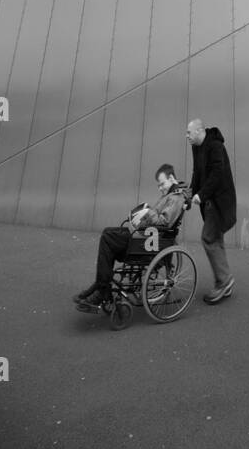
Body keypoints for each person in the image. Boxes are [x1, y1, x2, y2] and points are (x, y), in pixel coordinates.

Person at [72, 164, 187, 311]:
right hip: (147, 238)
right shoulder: (170, 196)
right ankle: (101, 285)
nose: (160, 188)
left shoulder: (176, 197)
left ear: (171, 178)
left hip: (151, 243)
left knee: (108, 237)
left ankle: (102, 289)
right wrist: (144, 214)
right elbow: (157, 220)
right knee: (108, 234)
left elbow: (164, 222)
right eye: (158, 185)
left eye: (162, 184)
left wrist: (147, 211)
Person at [187, 118, 236, 304]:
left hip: (219, 201)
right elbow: (197, 172)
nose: (187, 136)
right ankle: (225, 281)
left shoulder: (215, 146)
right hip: (209, 202)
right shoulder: (196, 147)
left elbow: (218, 174)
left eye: (189, 132)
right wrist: (191, 193)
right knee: (216, 239)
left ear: (199, 131)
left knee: (208, 238)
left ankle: (224, 281)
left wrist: (202, 194)